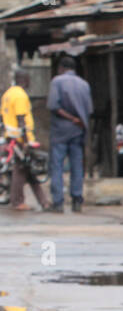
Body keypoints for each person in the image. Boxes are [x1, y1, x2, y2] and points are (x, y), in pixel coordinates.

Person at [47, 57, 92, 213]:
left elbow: (53, 106)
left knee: (57, 166)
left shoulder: (57, 82)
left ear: (61, 68)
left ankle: (58, 202)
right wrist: (77, 120)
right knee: (77, 166)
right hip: (78, 130)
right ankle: (77, 200)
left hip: (60, 131)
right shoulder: (84, 84)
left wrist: (71, 118)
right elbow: (89, 110)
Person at [3, 70, 52, 212]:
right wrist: (25, 142)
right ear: (23, 79)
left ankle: (44, 202)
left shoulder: (8, 94)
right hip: (21, 139)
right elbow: (21, 119)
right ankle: (17, 201)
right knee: (21, 169)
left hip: (11, 137)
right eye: (29, 79)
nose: (30, 82)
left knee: (28, 169)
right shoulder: (20, 95)